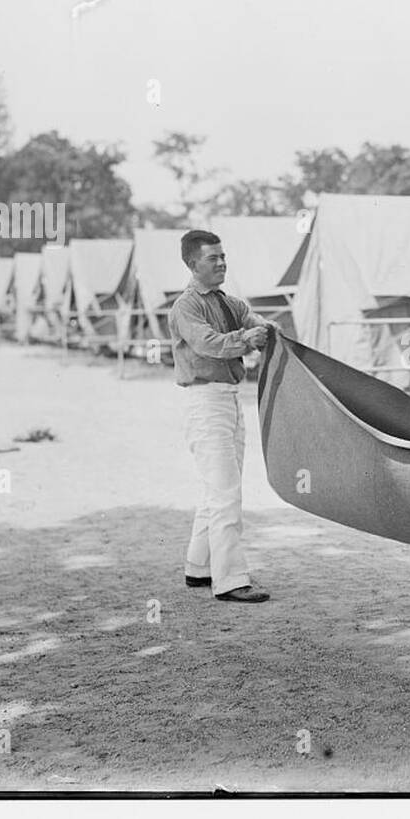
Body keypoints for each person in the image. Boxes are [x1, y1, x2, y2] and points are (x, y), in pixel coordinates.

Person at [169, 229, 275, 603]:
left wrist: (269, 332)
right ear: (192, 263)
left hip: (229, 398)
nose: (221, 263)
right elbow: (206, 343)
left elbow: (257, 322)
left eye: (223, 256)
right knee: (226, 493)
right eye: (212, 258)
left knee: (216, 490)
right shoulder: (186, 306)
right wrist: (247, 340)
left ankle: (198, 567)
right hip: (204, 401)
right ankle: (230, 580)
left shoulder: (231, 304)